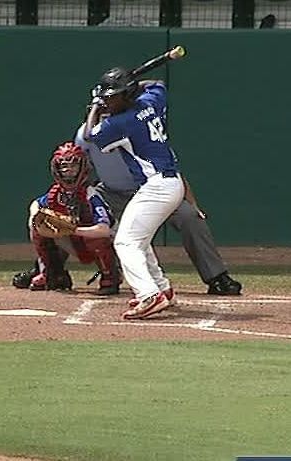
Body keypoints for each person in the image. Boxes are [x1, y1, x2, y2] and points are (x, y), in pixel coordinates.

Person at [74, 120, 243, 297]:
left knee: (190, 217)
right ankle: (59, 272)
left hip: (153, 191)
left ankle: (216, 277)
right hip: (111, 192)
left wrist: (192, 204)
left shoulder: (141, 126)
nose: (105, 113)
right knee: (66, 208)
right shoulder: (87, 133)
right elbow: (77, 162)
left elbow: (171, 170)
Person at [81, 68, 185, 320]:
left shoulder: (120, 123)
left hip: (158, 187)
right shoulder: (150, 100)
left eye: (112, 97)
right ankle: (161, 287)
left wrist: (94, 106)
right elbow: (157, 83)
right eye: (105, 98)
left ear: (127, 95)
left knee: (125, 242)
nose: (107, 102)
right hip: (167, 184)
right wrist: (128, 86)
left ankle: (149, 294)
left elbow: (89, 135)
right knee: (137, 238)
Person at [13, 142, 119, 294]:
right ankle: (53, 274)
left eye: (73, 167)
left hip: (109, 245)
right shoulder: (55, 195)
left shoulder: (91, 195)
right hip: (76, 241)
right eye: (64, 167)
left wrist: (73, 229)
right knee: (38, 226)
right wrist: (39, 217)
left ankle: (110, 275)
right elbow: (36, 205)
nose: (68, 171)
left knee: (95, 238)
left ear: (82, 167)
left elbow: (104, 230)